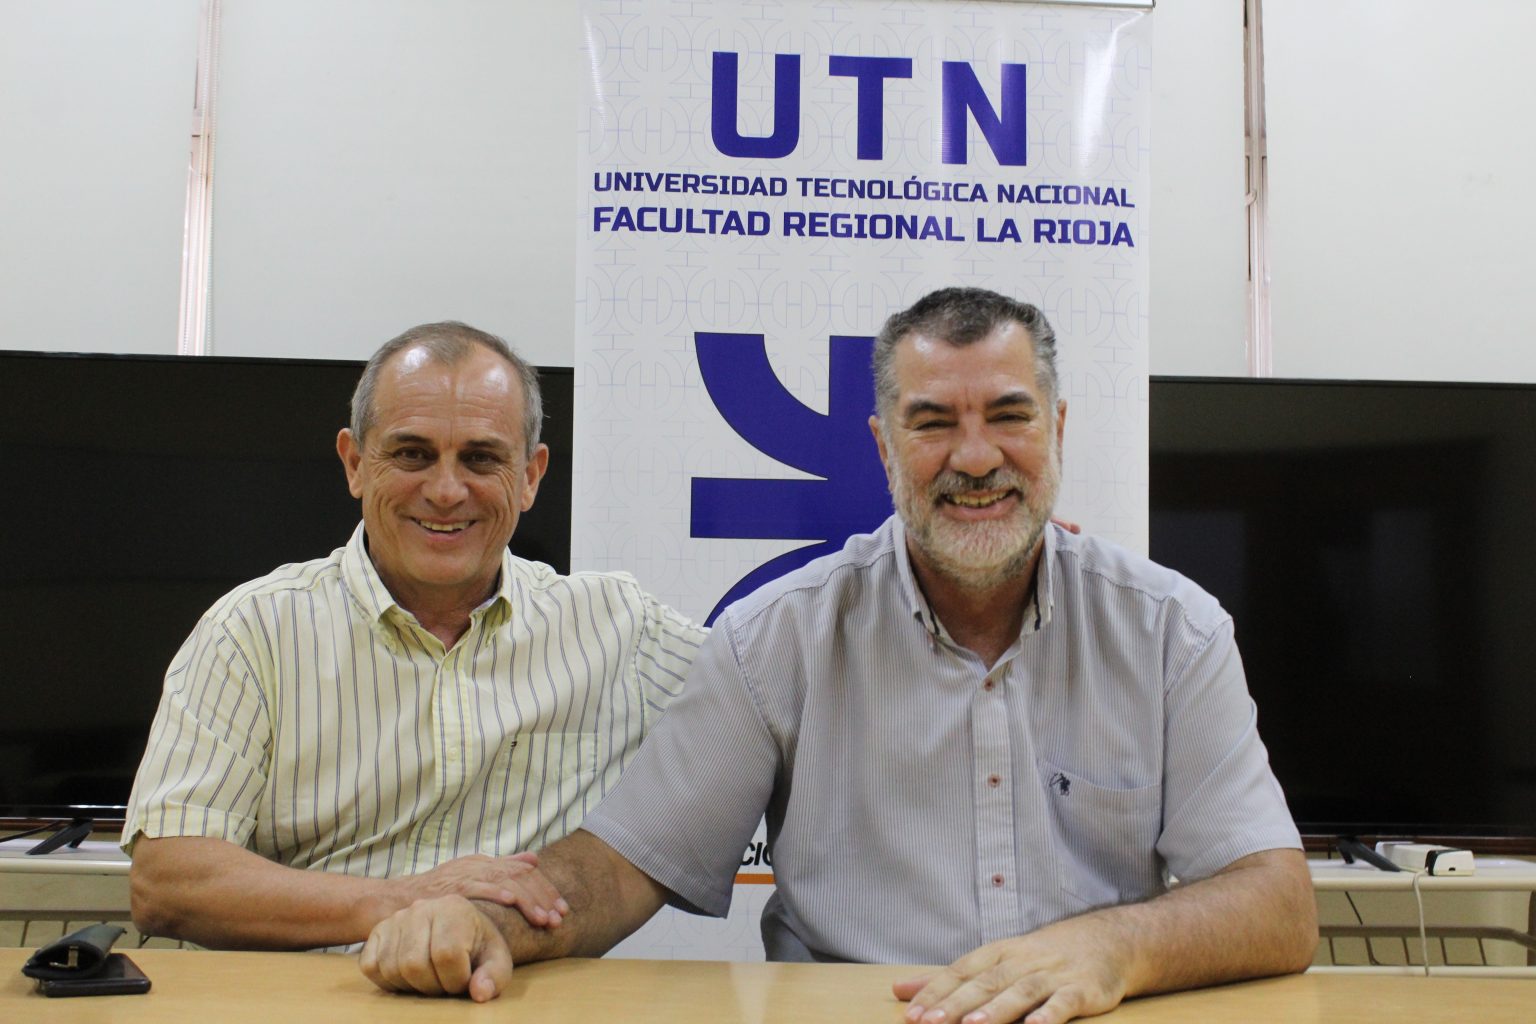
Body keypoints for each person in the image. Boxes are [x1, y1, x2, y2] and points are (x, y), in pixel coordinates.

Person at [359, 290, 1318, 1024]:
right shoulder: (778, 638)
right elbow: (620, 869)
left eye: (1010, 416)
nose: (975, 456)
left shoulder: (1169, 631)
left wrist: (1114, 950)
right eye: (934, 421)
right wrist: (481, 923)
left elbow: (1277, 904)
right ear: (883, 446)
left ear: (1057, 431)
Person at [122, 322, 704, 950]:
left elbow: (771, 692)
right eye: (412, 454)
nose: (447, 491)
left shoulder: (620, 627)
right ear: (354, 464)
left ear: (531, 476)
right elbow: (168, 882)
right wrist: (411, 900)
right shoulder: (252, 633)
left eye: (481, 458)